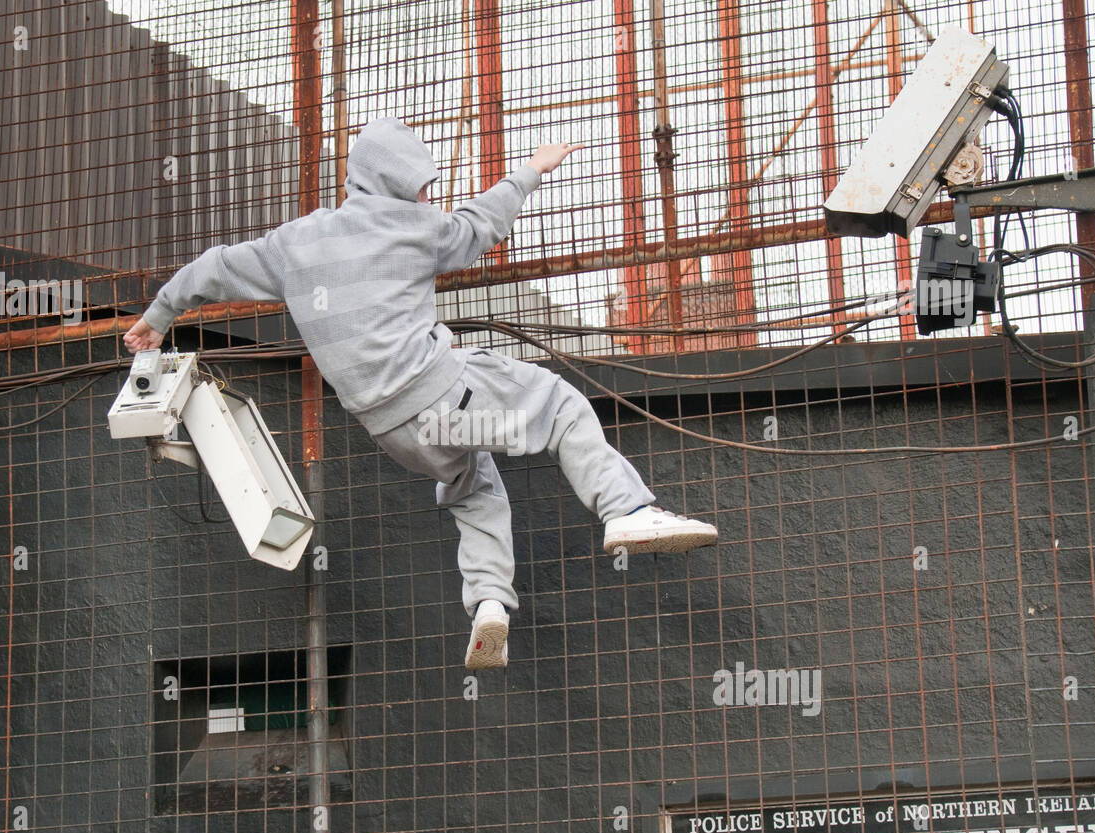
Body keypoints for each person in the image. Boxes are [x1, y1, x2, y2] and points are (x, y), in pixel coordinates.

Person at [124, 116, 718, 671]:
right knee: (560, 409)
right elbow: (481, 224)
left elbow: (211, 267)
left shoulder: (291, 245)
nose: (430, 198)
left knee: (473, 486)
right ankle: (629, 512)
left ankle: (488, 604)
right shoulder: (411, 224)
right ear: (396, 183)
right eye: (423, 186)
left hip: (400, 437)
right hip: (446, 401)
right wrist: (532, 169)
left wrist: (159, 314)